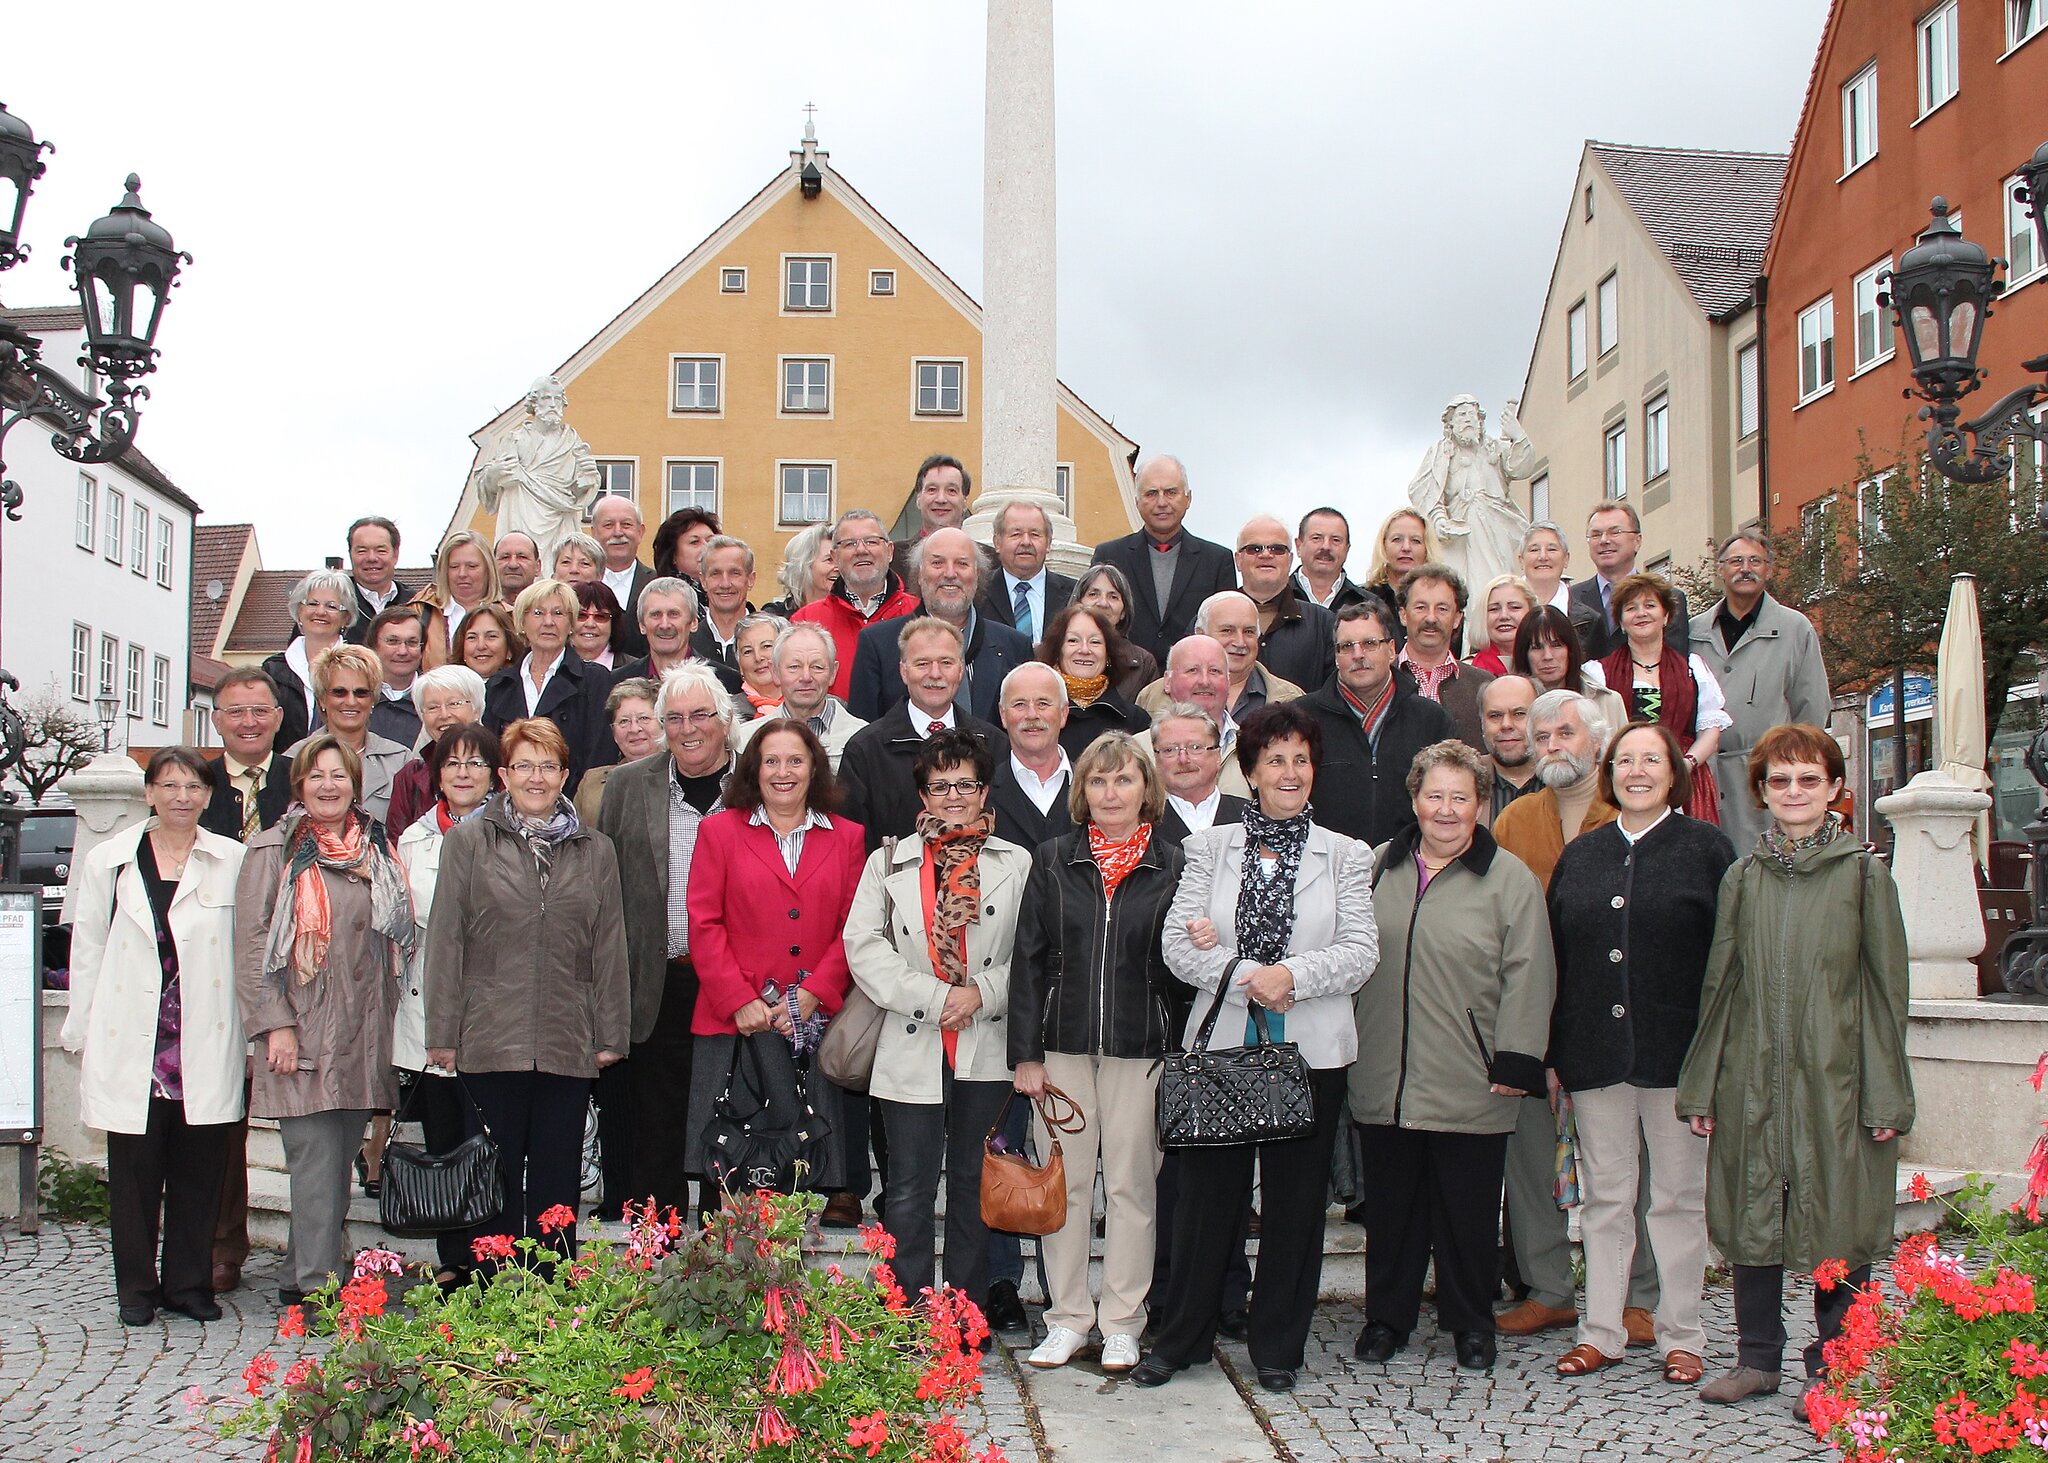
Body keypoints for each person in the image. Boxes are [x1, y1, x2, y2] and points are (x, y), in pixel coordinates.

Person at [1136, 704, 1376, 1393]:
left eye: (1301, 758)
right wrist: (1248, 976)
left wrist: (1292, 976)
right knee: (1207, 1203)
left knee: (1297, 1208)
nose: (1289, 771)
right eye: (1275, 759)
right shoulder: (1210, 849)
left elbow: (1361, 950)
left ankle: (1277, 1345)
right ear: (1250, 770)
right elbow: (1179, 945)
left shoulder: (1347, 854)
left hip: (1312, 1051)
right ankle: (1181, 1336)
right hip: (1224, 1044)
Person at [1678, 725, 1912, 1415]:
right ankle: (1758, 1358)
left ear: (1836, 788)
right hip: (1753, 1073)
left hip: (1836, 1076)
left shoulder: (1865, 875)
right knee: (1756, 1212)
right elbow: (1722, 984)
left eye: (1809, 779)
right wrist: (1705, 1081)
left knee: (1840, 1216)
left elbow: (1885, 993)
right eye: (1780, 780)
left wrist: (1883, 1094)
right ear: (1761, 792)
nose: (1794, 791)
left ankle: (1835, 1363)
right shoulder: (1742, 878)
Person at [1350, 739, 1554, 1374]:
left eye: (1459, 798)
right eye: (1434, 795)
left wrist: (1516, 1060)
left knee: (1467, 1218)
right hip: (1383, 1074)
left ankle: (1471, 1323)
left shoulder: (1509, 879)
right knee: (1392, 1217)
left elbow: (1530, 972)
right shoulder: (1379, 866)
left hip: (1472, 1079)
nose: (1445, 809)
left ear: (1480, 805)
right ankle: (1388, 1319)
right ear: (1414, 799)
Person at [1549, 722, 1734, 1383]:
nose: (1637, 770)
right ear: (1608, 772)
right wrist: (1554, 1053)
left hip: (1679, 1058)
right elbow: (1558, 957)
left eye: (1650, 758)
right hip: (1595, 1057)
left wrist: (1719, 1059)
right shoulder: (1584, 854)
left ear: (1673, 771)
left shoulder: (1707, 850)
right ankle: (1600, 1330)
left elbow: (1726, 961)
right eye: (1624, 759)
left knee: (1679, 1199)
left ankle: (1682, 1332)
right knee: (1605, 1200)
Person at [1011, 733, 1187, 1376]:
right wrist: (1025, 1054)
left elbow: (1183, 969)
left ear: (1148, 791)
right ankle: (1066, 1318)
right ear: (1082, 792)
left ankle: (1121, 1322)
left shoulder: (1175, 865)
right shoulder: (1053, 857)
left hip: (1142, 1052)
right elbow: (1027, 962)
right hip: (1060, 1049)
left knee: (1134, 1187)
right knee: (1065, 1186)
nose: (1111, 793)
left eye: (1124, 781)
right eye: (1098, 781)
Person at [425, 718, 629, 1258]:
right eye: (523, 766)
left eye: (547, 766)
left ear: (566, 774)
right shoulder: (468, 842)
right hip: (489, 1034)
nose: (535, 778)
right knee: (492, 1171)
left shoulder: (597, 850)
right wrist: (442, 1032)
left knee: (557, 1175)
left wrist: (612, 1032)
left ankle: (551, 1287)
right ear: (503, 775)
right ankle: (489, 1288)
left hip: (568, 1034)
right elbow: (446, 940)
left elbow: (609, 947)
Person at [1490, 691, 1652, 1347]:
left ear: (1598, 738)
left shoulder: (1631, 814)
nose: (1554, 744)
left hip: (1612, 1014)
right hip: (1531, 1010)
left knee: (1625, 1162)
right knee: (1529, 1160)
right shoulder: (1515, 819)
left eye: (1567, 732)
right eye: (1544, 734)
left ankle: (1640, 1295)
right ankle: (1549, 1289)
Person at [64, 748, 246, 1326]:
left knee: (200, 1172)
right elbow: (87, 945)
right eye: (169, 785)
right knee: (135, 1177)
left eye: (194, 786)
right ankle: (137, 1290)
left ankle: (189, 1286)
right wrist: (81, 1025)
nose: (182, 797)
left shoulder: (231, 861)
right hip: (134, 1037)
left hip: (202, 1035)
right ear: (149, 793)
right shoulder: (110, 861)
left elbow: (246, 953)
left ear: (209, 796)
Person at [845, 727, 1024, 1309]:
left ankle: (965, 1312)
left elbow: (1037, 953)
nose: (952, 796)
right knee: (907, 1189)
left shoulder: (1016, 863)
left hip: (987, 1040)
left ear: (984, 791)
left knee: (975, 1185)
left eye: (964, 785)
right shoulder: (886, 862)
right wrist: (935, 996)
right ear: (922, 795)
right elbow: (863, 945)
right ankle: (906, 1307)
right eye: (939, 786)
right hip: (913, 1035)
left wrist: (983, 993)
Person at [236, 734, 414, 1305]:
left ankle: (300, 1273)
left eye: (340, 775)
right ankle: (316, 1289)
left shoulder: (376, 849)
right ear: (299, 785)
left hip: (361, 1031)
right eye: (317, 776)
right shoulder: (275, 851)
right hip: (304, 1030)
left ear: (355, 785)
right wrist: (275, 1025)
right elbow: (253, 945)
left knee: (337, 1166)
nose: (329, 786)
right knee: (314, 1165)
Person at [684, 720, 866, 1200]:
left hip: (809, 1026)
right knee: (728, 1173)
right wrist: (738, 1000)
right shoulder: (719, 831)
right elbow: (703, 923)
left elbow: (855, 928)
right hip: (738, 1028)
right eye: (771, 761)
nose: (783, 772)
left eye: (795, 760)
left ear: (814, 769)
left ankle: (793, 1279)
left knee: (800, 1174)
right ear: (753, 770)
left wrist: (813, 995)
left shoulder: (848, 837)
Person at [597, 662, 735, 1216]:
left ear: (725, 720)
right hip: (658, 979)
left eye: (701, 714)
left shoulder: (757, 780)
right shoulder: (628, 786)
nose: (688, 728)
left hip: (735, 984)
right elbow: (604, 888)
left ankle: (729, 1254)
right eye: (674, 718)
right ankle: (658, 1250)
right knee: (657, 1124)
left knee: (731, 1120)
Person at [393, 722, 502, 1287]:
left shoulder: (515, 833)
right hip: (430, 1010)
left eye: (476, 763)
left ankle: (494, 1253)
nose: (464, 772)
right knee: (444, 1140)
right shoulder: (412, 843)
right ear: (437, 775)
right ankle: (454, 1257)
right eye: (453, 763)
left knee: (492, 1140)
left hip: (495, 1012)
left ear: (494, 774)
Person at [1688, 524, 1832, 854]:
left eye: (1755, 561)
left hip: (1767, 777)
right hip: (1706, 779)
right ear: (1720, 569)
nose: (1745, 569)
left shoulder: (1794, 629)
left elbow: (1811, 708)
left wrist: (1794, 772)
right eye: (1736, 561)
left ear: (1769, 569)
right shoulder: (1694, 631)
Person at [839, 617, 1009, 852]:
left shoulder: (994, 744)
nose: (935, 674)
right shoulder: (865, 750)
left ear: (960, 671)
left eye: (946, 663)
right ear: (903, 672)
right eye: (922, 664)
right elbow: (852, 845)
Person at [1298, 599, 1454, 848]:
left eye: (1370, 644)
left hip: (1406, 866)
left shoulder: (1431, 720)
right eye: (1346, 646)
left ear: (1392, 650)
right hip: (1324, 865)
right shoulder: (1301, 718)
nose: (1358, 655)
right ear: (1336, 656)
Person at [847, 528, 1032, 724]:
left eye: (962, 563)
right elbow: (864, 735)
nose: (950, 574)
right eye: (937, 563)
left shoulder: (1015, 646)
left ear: (977, 575)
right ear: (919, 574)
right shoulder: (877, 644)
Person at [1602, 574, 1731, 824]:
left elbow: (1711, 729)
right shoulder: (1599, 673)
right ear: (1621, 621)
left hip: (1684, 778)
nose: (1641, 613)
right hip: (1626, 777)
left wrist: (1685, 764)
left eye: (1650, 605)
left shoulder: (1693, 668)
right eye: (1631, 608)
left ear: (1666, 616)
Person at [1090, 454, 1237, 664]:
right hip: (1125, 675)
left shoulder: (1216, 561)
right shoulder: (1110, 556)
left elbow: (1225, 625)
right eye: (1151, 493)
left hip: (1194, 677)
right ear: (1137, 502)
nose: (1161, 502)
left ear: (1188, 498)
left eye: (1171, 492)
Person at [481, 578, 612, 791]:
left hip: (571, 806)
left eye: (558, 613)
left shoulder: (594, 681)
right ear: (522, 622)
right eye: (538, 613)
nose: (548, 622)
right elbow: (492, 759)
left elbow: (597, 758)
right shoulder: (499, 686)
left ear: (571, 625)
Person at [266, 645, 413, 830]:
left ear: (373, 700)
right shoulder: (293, 759)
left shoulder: (400, 759)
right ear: (321, 699)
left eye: (361, 692)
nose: (351, 701)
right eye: (339, 692)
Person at [1406, 396, 1538, 601]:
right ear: (1450, 423)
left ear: (1480, 420)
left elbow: (1522, 467)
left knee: (1498, 588)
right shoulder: (1441, 453)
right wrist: (1440, 521)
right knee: (1457, 592)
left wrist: (1517, 435)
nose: (1468, 419)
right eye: (1461, 415)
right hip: (1457, 540)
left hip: (1495, 534)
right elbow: (1427, 494)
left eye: (1471, 414)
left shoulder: (1494, 448)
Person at [472, 376, 604, 561]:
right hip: (521, 515)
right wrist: (494, 475)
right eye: (545, 398)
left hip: (560, 520)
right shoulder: (516, 440)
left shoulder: (571, 442)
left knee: (559, 569)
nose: (552, 404)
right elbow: (488, 484)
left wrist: (588, 479)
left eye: (557, 399)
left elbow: (577, 492)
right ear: (534, 403)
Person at [793, 509, 919, 697]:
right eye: (850, 544)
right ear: (835, 557)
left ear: (890, 551)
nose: (861, 550)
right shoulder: (805, 621)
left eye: (871, 541)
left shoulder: (919, 615)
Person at [386, 665, 492, 868]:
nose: (444, 715)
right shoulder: (410, 776)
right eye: (432, 707)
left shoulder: (503, 768)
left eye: (454, 703)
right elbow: (396, 851)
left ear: (477, 709)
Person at [1138, 591, 1304, 719]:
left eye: (1249, 632)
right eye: (1227, 631)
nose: (1240, 642)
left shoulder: (1291, 699)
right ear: (1200, 633)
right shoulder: (1153, 696)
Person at [730, 622, 867, 771]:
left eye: (817, 667)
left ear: (833, 672)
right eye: (794, 667)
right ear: (775, 672)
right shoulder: (745, 740)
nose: (806, 677)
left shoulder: (863, 738)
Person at [1133, 635, 1251, 798]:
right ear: (1167, 681)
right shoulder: (1137, 750)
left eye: (1214, 671)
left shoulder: (1253, 746)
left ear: (1229, 681)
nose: (1204, 681)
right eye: (1192, 670)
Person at [1569, 502, 1689, 660]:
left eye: (1615, 532)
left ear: (1637, 541)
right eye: (1596, 534)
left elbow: (1676, 660)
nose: (1604, 540)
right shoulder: (1571, 599)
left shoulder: (1668, 598)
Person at [1397, 563, 1495, 750]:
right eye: (1420, 607)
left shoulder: (1483, 685)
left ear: (1458, 618)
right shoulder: (1381, 679)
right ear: (1403, 614)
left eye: (1442, 609)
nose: (1431, 618)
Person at [1234, 514, 1336, 690]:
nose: (1266, 554)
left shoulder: (1323, 623)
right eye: (1254, 549)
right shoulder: (1209, 617)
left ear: (1289, 559)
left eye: (1277, 549)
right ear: (1238, 560)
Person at [1038, 603, 1149, 756]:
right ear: (1058, 651)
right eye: (1073, 641)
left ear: (1108, 653)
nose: (1084, 650)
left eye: (1095, 642)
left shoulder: (1135, 720)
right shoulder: (1037, 716)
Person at [988, 661, 1076, 848]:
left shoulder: (1092, 789)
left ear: (1064, 713)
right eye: (1019, 704)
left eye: (1043, 704)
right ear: (1003, 715)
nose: (1032, 714)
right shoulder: (982, 794)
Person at [263, 569, 353, 749]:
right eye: (312, 603)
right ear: (299, 611)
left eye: (332, 606)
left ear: (346, 618)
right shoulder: (273, 671)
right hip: (286, 770)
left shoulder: (358, 667)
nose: (321, 612)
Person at [201, 668, 290, 843]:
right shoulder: (196, 783)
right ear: (217, 721)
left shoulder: (304, 779)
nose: (249, 722)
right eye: (236, 712)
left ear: (278, 718)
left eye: (260, 711)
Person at [611, 577, 741, 696]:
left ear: (694, 623)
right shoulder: (616, 682)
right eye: (656, 615)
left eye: (674, 614)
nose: (664, 625)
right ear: (642, 625)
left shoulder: (726, 682)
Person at [1513, 604, 1630, 734]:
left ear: (1571, 650)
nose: (1547, 656)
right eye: (1536, 647)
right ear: (1524, 654)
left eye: (1556, 645)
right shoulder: (1509, 704)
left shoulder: (1608, 702)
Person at [1149, 703, 1247, 848]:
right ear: (1156, 759)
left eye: (1195, 747)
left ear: (1218, 755)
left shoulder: (1251, 817)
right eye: (1170, 750)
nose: (1183, 759)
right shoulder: (1142, 824)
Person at [978, 500, 1075, 639]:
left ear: (1048, 543)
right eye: (1016, 534)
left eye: (1035, 534)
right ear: (997, 543)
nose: (1026, 542)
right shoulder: (978, 592)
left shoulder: (1074, 594)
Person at [574, 677, 661, 825]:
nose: (634, 729)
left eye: (644, 718)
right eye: (624, 721)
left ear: (662, 723)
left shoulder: (679, 778)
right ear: (613, 733)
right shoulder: (591, 782)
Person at [412, 531, 500, 670]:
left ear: (488, 569)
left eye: (472, 566)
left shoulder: (507, 615)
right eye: (454, 566)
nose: (462, 574)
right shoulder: (421, 611)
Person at [1073, 563, 1162, 701]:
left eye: (1113, 596)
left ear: (1123, 612)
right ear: (1077, 603)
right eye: (1093, 594)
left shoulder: (1143, 665)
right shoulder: (1052, 654)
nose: (1103, 603)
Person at [890, 453, 982, 584]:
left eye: (951, 491)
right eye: (932, 490)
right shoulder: (892, 559)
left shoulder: (991, 561)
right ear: (918, 499)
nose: (941, 499)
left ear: (964, 502)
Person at [592, 496, 654, 659]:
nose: (618, 532)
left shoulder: (658, 585)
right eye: (608, 525)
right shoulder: (583, 587)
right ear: (594, 532)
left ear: (640, 532)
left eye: (626, 525)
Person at [1477, 674, 1541, 827]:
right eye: (1495, 715)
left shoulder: (1563, 783)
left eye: (1519, 714)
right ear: (1482, 723)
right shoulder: (1466, 782)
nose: (1506, 725)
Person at [1360, 508, 1440, 631]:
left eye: (1415, 540)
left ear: (1427, 548)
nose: (1406, 547)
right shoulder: (1361, 599)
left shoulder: (1442, 600)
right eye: (1397, 539)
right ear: (1383, 545)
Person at [690, 535, 758, 673]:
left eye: (735, 573)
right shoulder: (687, 643)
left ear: (750, 579)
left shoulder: (772, 641)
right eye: (716, 573)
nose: (725, 584)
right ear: (703, 581)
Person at [341, 516, 412, 642]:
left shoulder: (417, 605)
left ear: (395, 555)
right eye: (362, 551)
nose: (371, 558)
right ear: (350, 555)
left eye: (381, 551)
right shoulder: (333, 602)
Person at [365, 608, 426, 748]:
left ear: (422, 650)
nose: (402, 651)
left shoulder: (435, 698)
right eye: (392, 641)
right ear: (374, 646)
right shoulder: (354, 697)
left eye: (412, 642)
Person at [1293, 506, 1369, 613]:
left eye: (1336, 540)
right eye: (1317, 538)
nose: (1326, 546)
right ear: (1299, 546)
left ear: (1347, 549)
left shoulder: (1368, 605)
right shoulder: (1277, 599)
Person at [761, 520, 836, 619]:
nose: (838, 567)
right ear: (803, 566)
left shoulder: (853, 616)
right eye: (829, 560)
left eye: (840, 560)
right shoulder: (775, 618)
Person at [1469, 574, 1538, 674]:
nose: (1504, 616)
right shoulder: (1467, 673)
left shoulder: (1549, 664)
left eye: (1514, 607)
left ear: (1532, 612)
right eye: (1494, 609)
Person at [732, 612, 786, 717]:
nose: (758, 657)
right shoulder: (728, 713)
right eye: (747, 651)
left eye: (766, 646)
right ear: (740, 667)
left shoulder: (811, 703)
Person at [650, 505, 720, 585]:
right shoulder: (660, 594)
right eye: (694, 542)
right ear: (673, 556)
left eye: (710, 540)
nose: (706, 546)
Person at [570, 581, 624, 674]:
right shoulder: (552, 666)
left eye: (600, 616)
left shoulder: (635, 671)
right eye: (581, 615)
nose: (590, 624)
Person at [458, 602, 523, 680]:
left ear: (509, 648)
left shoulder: (524, 687)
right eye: (472, 637)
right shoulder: (446, 687)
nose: (481, 646)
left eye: (491, 636)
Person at [1519, 521, 1574, 614]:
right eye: (1534, 550)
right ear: (1521, 560)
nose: (1543, 557)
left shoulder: (1587, 618)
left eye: (1551, 549)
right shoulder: (1502, 609)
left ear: (1566, 559)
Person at [493, 530, 542, 605]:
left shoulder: (550, 610)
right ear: (492, 564)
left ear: (537, 567)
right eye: (505, 557)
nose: (513, 565)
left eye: (522, 557)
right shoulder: (481, 612)